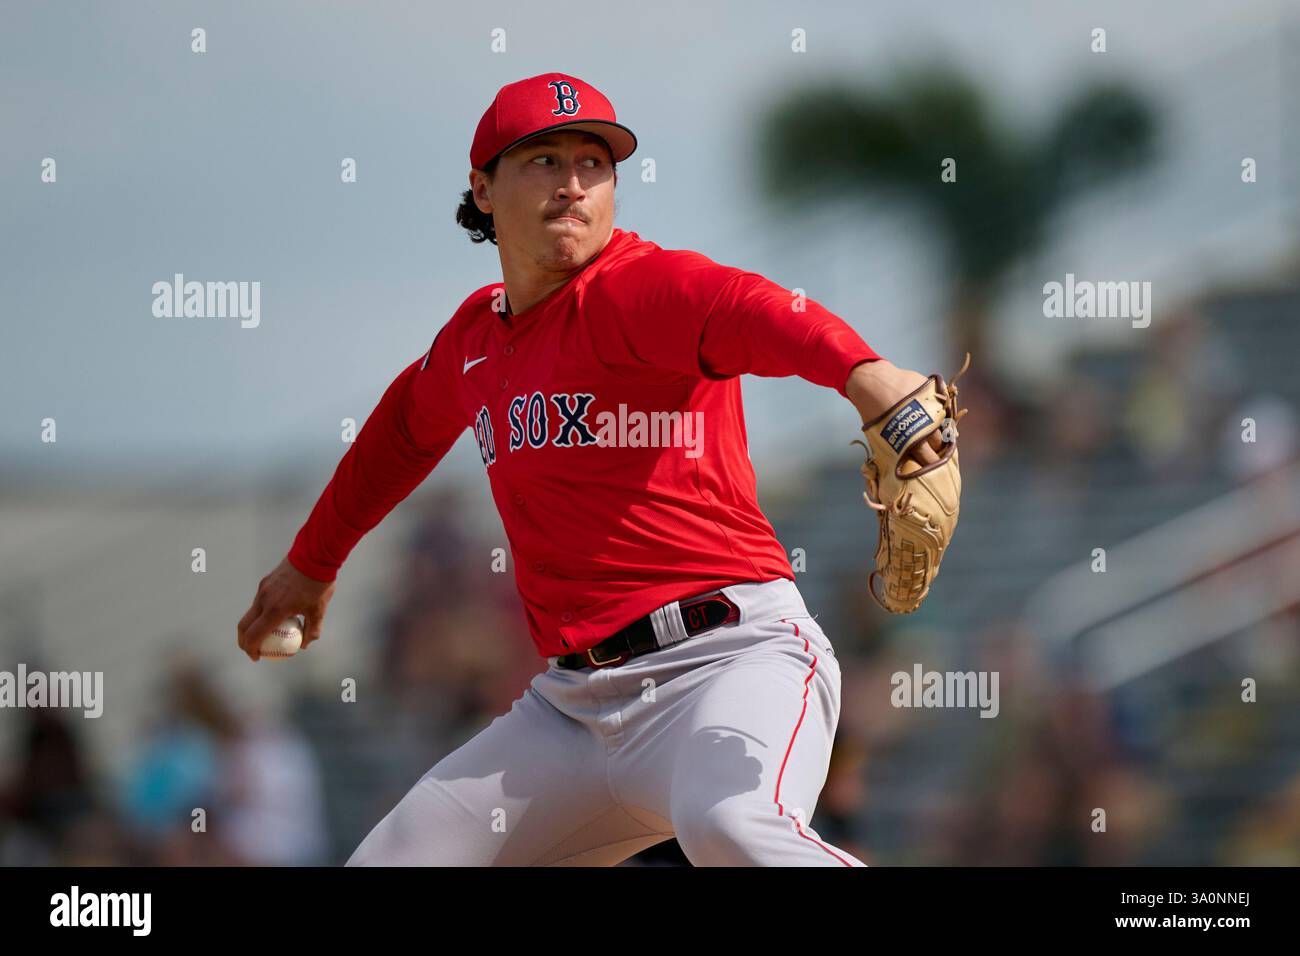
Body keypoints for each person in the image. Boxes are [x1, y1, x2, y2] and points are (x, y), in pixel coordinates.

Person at [237, 72, 946, 866]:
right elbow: (400, 435)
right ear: (482, 187)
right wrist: (311, 565)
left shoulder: (634, 288)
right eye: (543, 161)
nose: (573, 185)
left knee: (735, 828)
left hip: (727, 659)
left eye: (593, 163)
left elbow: (747, 307)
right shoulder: (473, 341)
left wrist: (866, 374)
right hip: (573, 710)